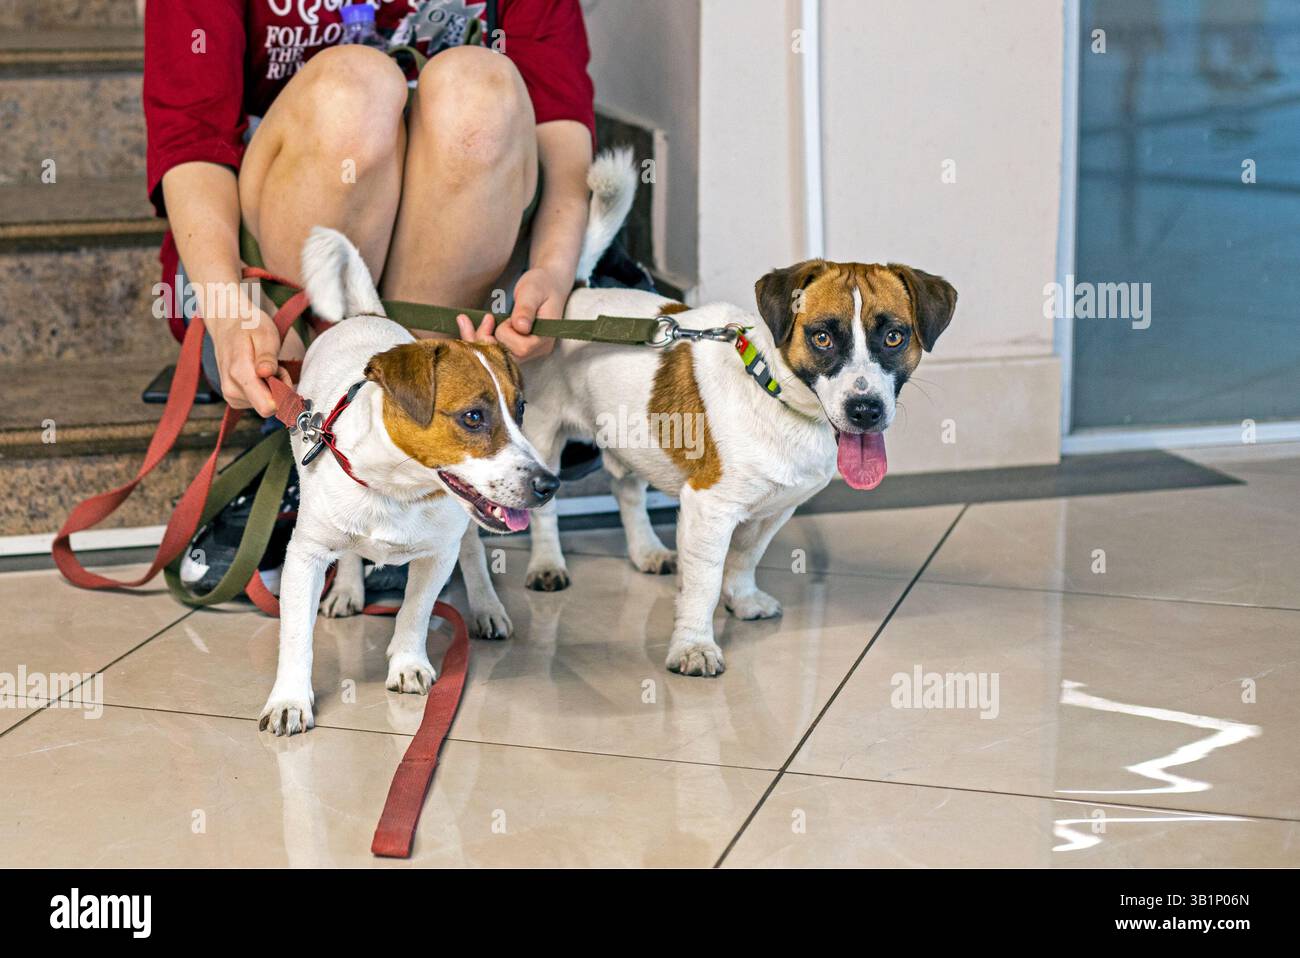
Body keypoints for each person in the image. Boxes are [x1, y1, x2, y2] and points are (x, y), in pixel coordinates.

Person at [144, 0, 597, 417]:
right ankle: (316, 405)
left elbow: (559, 123)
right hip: (260, 272)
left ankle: (416, 401)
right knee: (353, 88)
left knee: (479, 88)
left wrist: (554, 270)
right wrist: (227, 312)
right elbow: (192, 142)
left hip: (468, 272)